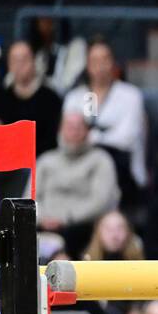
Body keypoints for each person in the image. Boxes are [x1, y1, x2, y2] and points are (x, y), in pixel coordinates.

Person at [61, 37, 149, 190]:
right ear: (87, 65)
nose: (100, 66)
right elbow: (65, 138)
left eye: (105, 59)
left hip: (123, 175)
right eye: (94, 60)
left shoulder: (130, 95)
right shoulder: (76, 97)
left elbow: (126, 138)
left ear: (113, 63)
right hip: (81, 174)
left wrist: (91, 136)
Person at [34, 111, 121, 259]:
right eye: (69, 127)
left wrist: (65, 218)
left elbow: (101, 201)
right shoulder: (45, 161)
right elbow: (28, 198)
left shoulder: (101, 160)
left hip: (82, 227)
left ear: (87, 131)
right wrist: (42, 218)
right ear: (60, 130)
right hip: (43, 225)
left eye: (78, 127)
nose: (74, 132)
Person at [0, 39, 64, 154]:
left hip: (40, 162)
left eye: (24, 59)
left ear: (33, 62)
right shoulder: (0, 97)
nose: (19, 65)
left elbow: (53, 141)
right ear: (9, 65)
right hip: (5, 160)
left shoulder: (50, 98)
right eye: (15, 60)